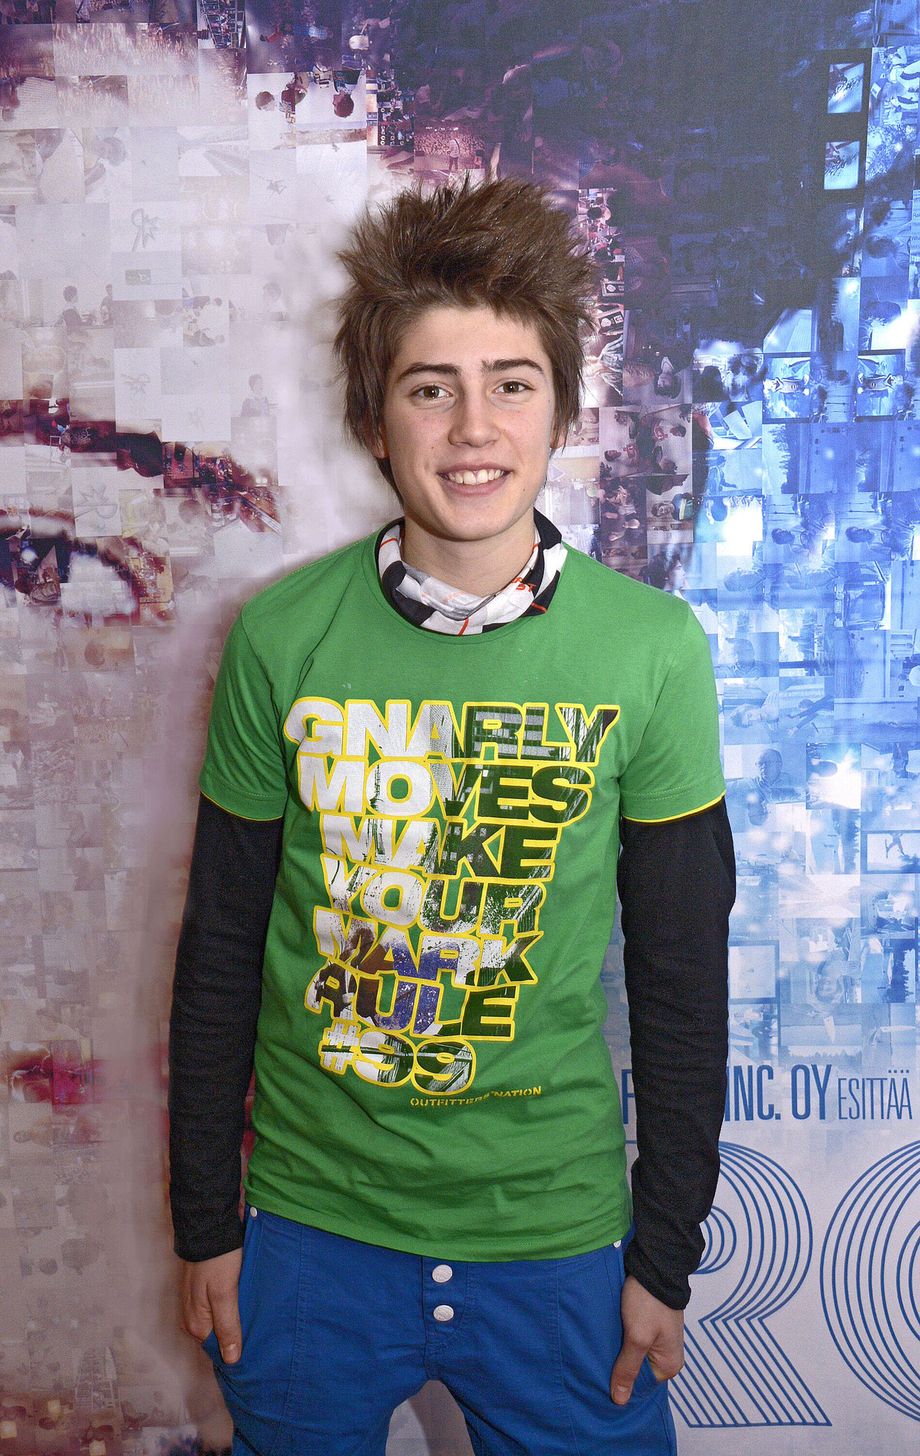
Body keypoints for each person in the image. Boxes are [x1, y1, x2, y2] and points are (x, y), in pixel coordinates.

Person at [169, 177, 735, 1456]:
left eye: (510, 383)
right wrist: (205, 1224)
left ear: (560, 410)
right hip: (310, 1235)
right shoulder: (279, 637)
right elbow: (219, 954)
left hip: (553, 1238)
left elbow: (680, 981)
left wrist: (662, 1256)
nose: (473, 426)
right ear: (374, 418)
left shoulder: (651, 650)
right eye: (430, 387)